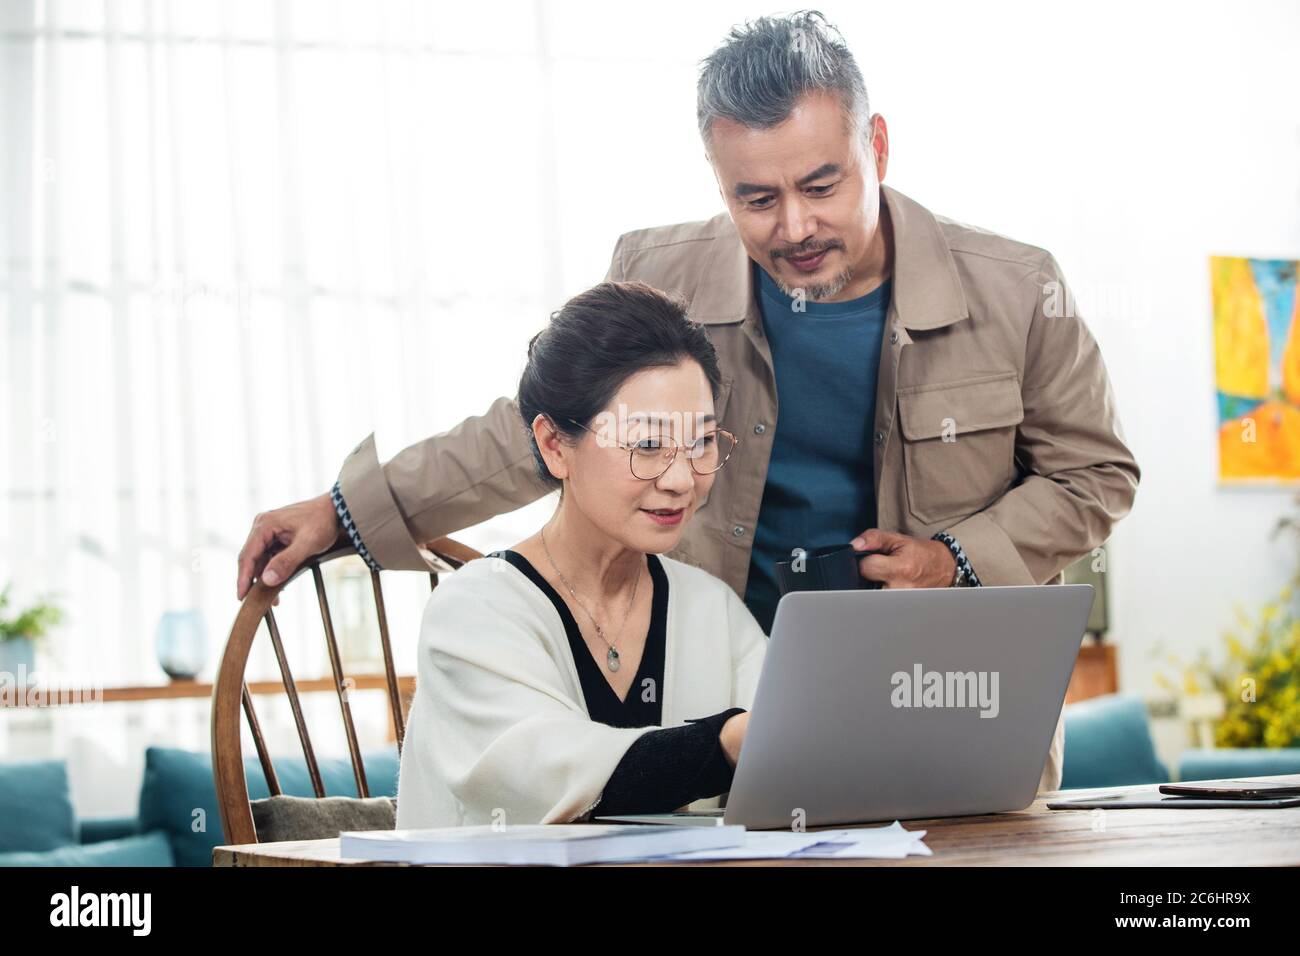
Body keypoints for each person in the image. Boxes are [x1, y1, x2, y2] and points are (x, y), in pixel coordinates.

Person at [237, 12, 1140, 794]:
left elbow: (1098, 473)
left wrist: (955, 560)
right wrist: (349, 512)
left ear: (878, 147)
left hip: (950, 700)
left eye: (821, 186)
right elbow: (541, 432)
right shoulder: (658, 272)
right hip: (725, 719)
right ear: (718, 181)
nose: (793, 227)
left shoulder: (1020, 288)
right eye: (756, 197)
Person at [396, 281, 767, 826]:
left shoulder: (712, 609)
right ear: (554, 445)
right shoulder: (473, 611)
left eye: (702, 441)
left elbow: (800, 746)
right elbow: (541, 776)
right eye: (646, 445)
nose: (683, 479)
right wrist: (729, 741)